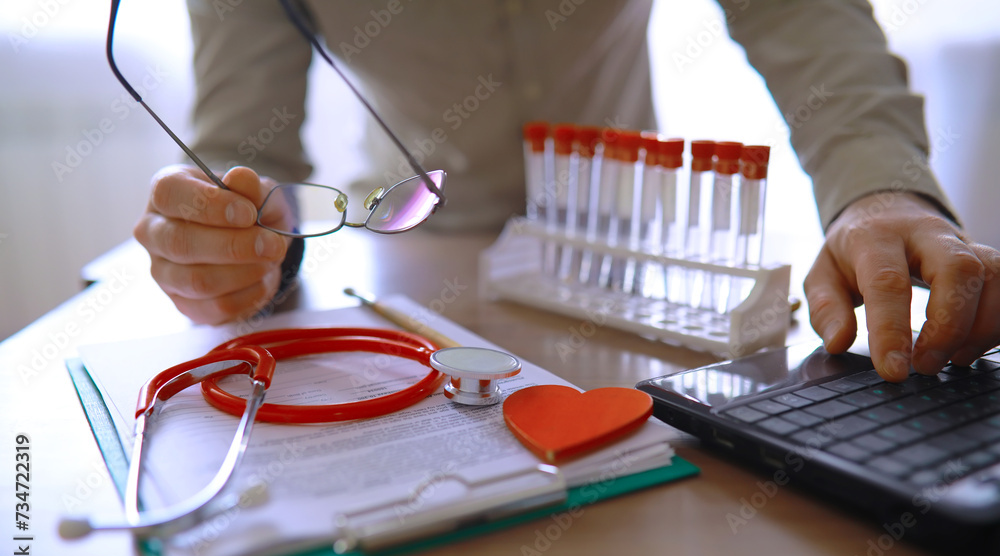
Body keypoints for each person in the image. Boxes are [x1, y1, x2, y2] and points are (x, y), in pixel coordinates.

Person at [134, 0, 999, 382]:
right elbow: (241, 149)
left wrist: (879, 191)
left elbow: (802, 14)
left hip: (634, 276)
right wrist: (233, 236)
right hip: (406, 281)